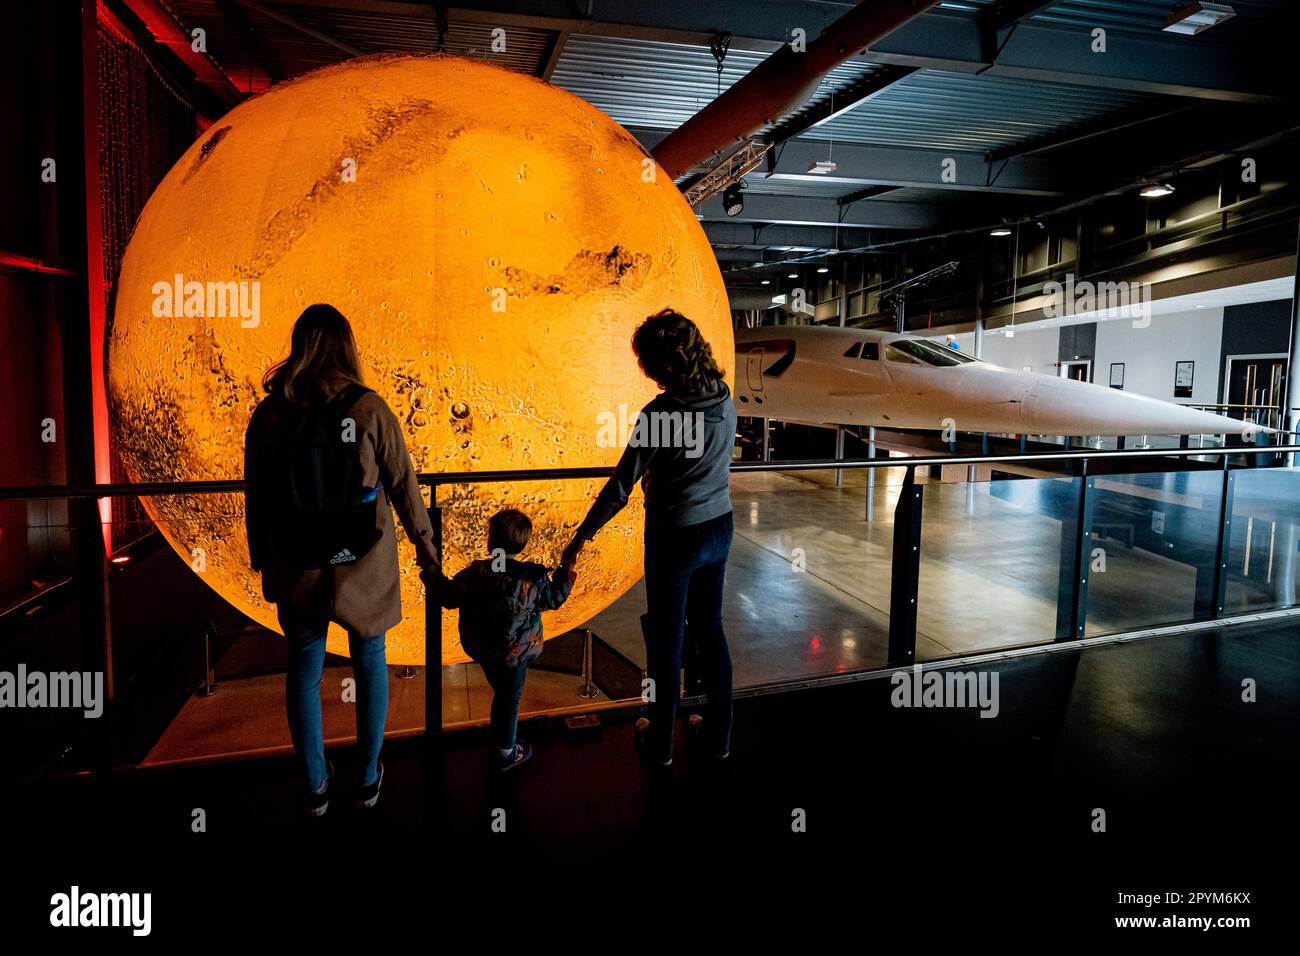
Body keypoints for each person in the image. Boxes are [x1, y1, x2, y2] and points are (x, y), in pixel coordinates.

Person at [244, 304, 437, 816]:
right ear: (347, 347)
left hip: (297, 559)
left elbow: (257, 494)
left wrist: (261, 556)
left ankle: (315, 785)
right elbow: (404, 486)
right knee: (371, 663)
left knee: (304, 670)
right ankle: (369, 776)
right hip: (363, 562)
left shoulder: (271, 415)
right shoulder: (369, 409)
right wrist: (426, 548)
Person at [562, 309, 737, 767]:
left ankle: (660, 743)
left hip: (675, 536)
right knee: (710, 631)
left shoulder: (661, 415)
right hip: (720, 526)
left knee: (665, 641)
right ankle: (718, 736)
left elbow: (620, 488)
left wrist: (580, 537)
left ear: (659, 366)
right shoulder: (723, 396)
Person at [425, 509, 577, 770]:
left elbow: (448, 597)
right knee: (510, 698)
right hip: (516, 654)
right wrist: (566, 569)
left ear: (490, 540)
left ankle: (501, 737)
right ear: (523, 543)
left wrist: (431, 572)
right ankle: (505, 753)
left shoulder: (477, 573)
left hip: (483, 648)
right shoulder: (534, 579)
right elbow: (555, 599)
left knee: (503, 693)